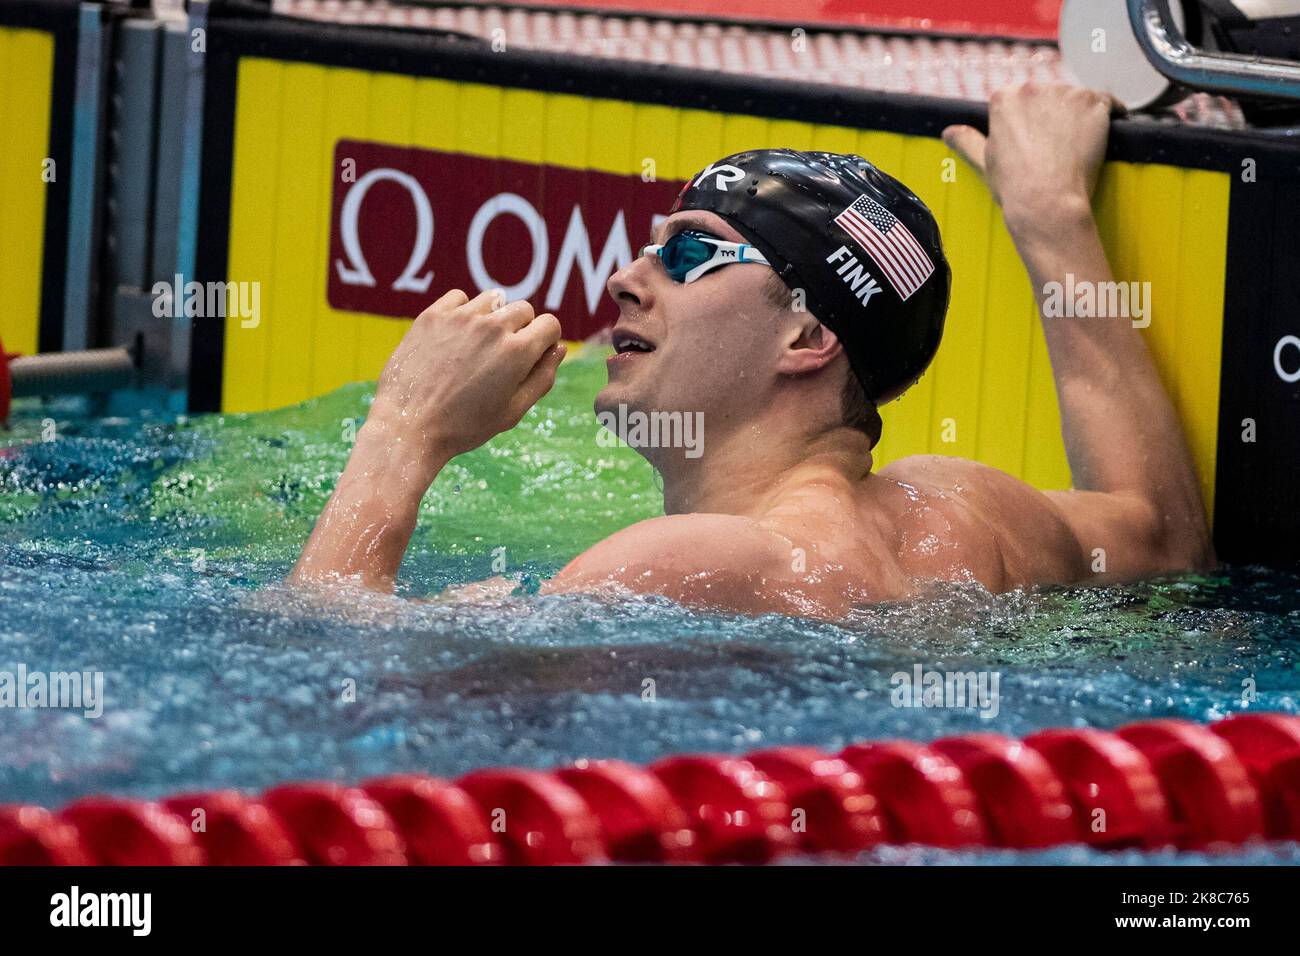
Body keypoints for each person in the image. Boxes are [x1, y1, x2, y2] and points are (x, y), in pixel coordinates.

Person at [290, 83, 1214, 619]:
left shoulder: (675, 562)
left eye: (688, 252)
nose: (625, 277)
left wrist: (404, 431)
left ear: (808, 335)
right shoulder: (965, 517)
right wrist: (1052, 215)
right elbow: (1166, 534)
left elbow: (317, 695)